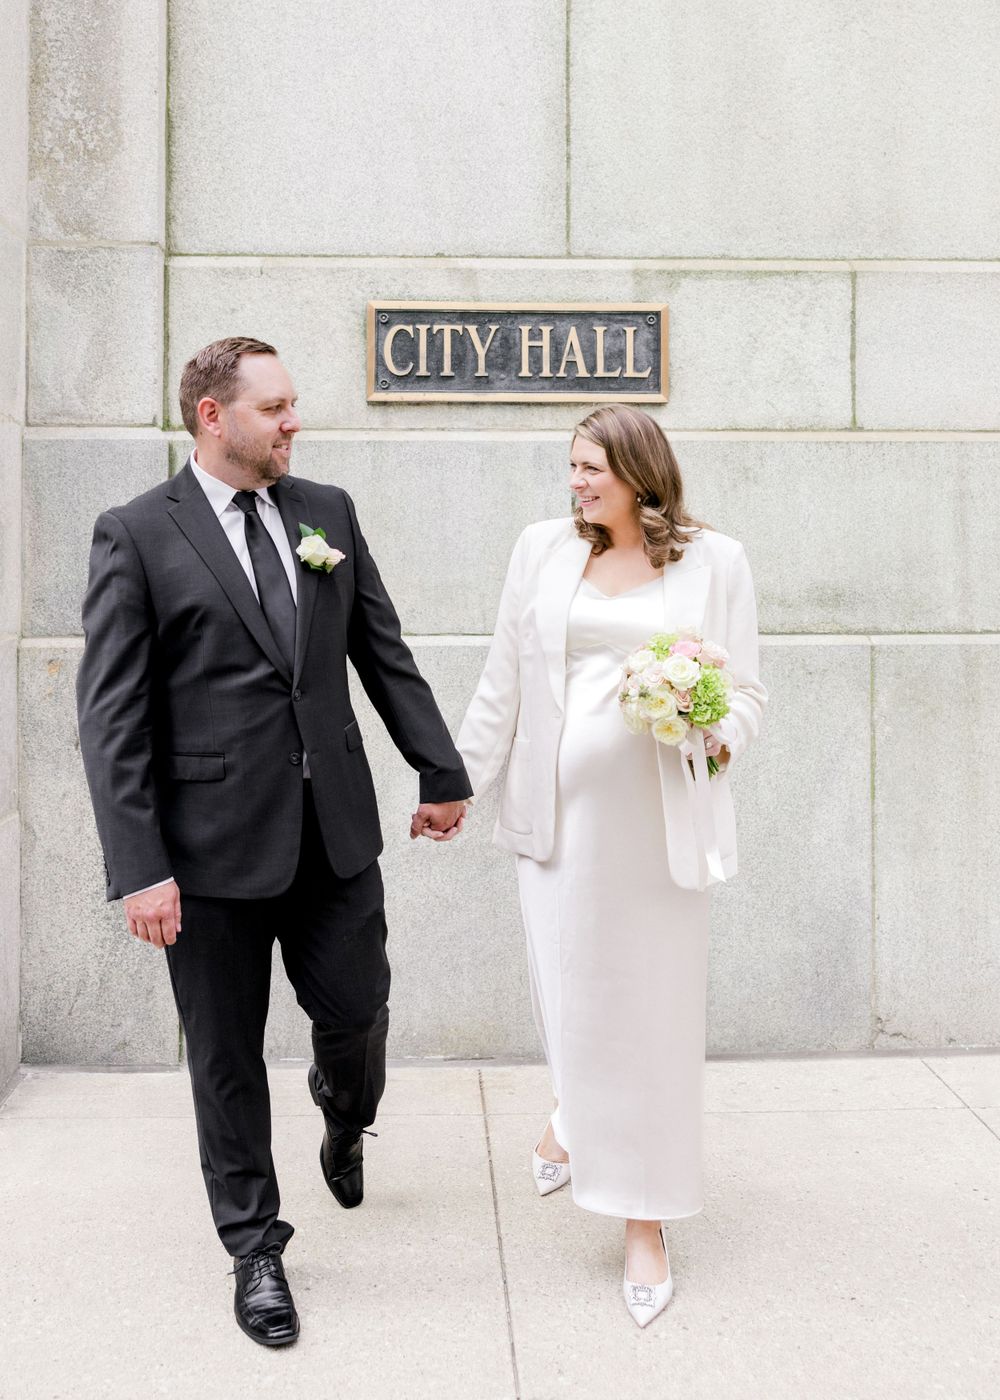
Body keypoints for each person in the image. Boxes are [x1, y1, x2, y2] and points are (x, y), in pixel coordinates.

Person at [76, 336, 470, 1347]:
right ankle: (255, 1244)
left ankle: (344, 1109)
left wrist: (439, 766)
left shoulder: (325, 513)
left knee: (359, 1011)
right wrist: (140, 866)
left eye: (293, 405)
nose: (294, 422)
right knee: (224, 1055)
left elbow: (380, 648)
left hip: (333, 832)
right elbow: (113, 716)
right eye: (276, 407)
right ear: (214, 415)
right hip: (206, 856)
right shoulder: (136, 534)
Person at [454, 404, 766, 1327]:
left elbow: (746, 694)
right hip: (558, 826)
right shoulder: (542, 550)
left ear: (640, 472)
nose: (578, 483)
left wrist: (706, 723)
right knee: (571, 994)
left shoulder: (717, 562)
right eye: (573, 467)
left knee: (653, 1021)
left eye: (594, 467)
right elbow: (502, 679)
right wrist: (453, 784)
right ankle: (575, 1114)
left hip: (657, 831)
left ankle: (646, 1220)